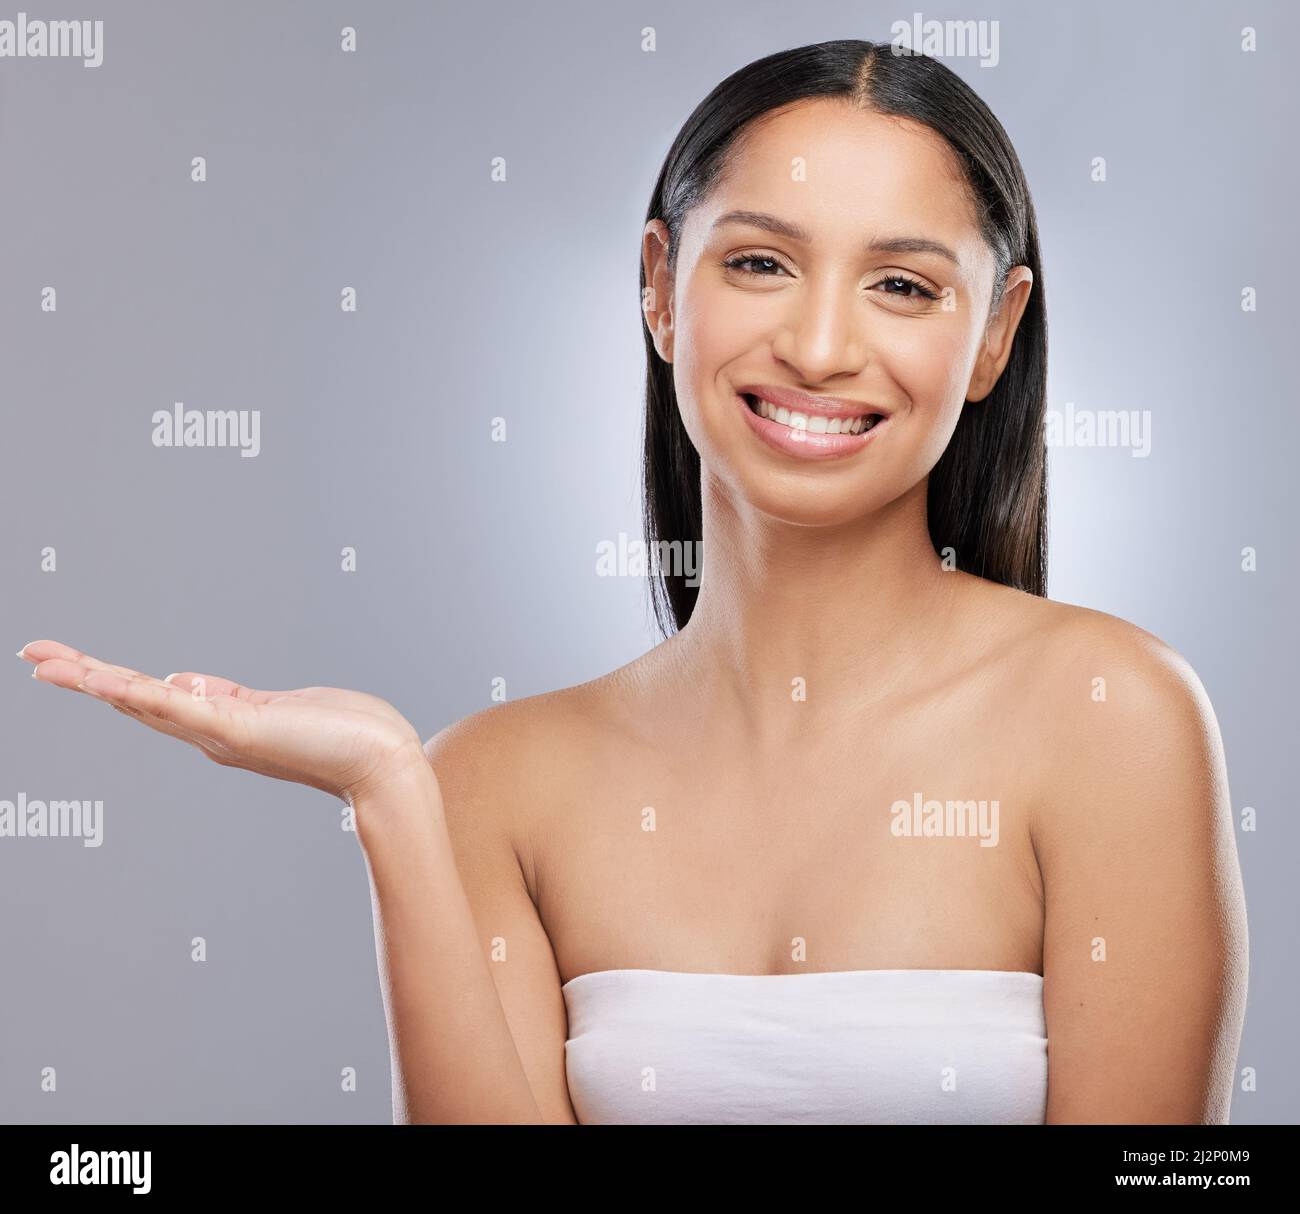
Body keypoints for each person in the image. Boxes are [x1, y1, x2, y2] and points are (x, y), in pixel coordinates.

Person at [19, 39, 1248, 1125]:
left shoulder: (1111, 715)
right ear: (660, 286)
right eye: (760, 263)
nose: (820, 346)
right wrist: (389, 790)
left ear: (994, 333)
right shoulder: (487, 780)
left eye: (903, 285)